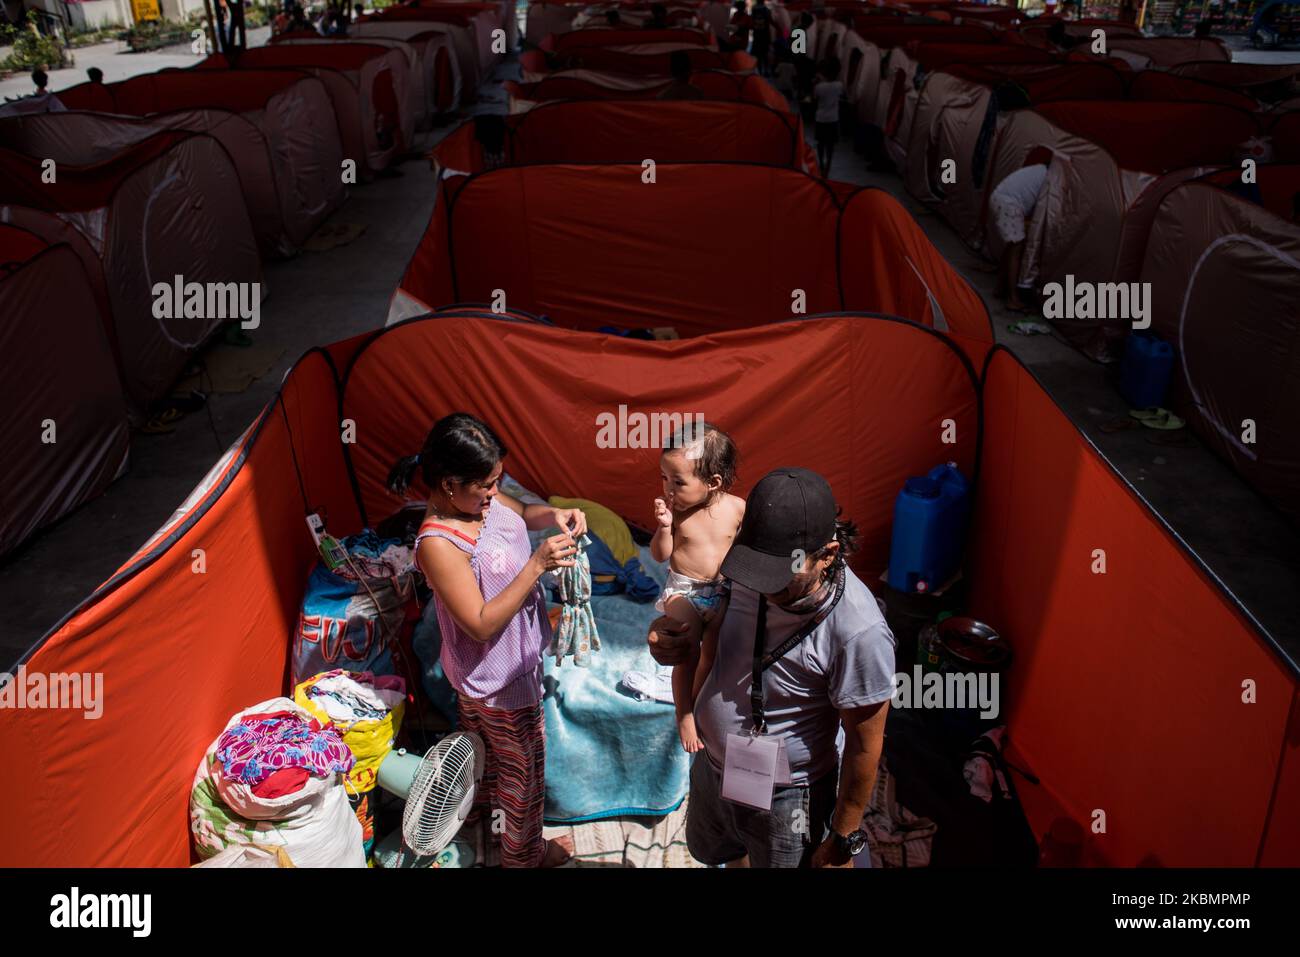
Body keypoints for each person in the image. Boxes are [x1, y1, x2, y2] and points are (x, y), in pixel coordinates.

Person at [647, 468, 896, 868]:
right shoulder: (748, 563)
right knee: (727, 852)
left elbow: (866, 745)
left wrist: (843, 835)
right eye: (754, 570)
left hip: (788, 798)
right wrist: (672, 634)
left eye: (777, 579)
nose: (761, 585)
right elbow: (699, 603)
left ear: (828, 554)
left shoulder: (859, 632)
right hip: (714, 766)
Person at [389, 413, 587, 868]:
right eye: (487, 484)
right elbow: (478, 623)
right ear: (448, 483)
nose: (495, 492)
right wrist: (536, 565)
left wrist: (555, 513)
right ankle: (525, 857)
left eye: (498, 480)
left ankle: (488, 827)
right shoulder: (438, 543)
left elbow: (522, 513)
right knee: (524, 778)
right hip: (496, 682)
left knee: (491, 764)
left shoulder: (482, 502)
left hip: (508, 666)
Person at [651, 423, 745, 752]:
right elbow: (660, 555)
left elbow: (744, 547)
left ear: (713, 482)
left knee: (714, 652)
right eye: (664, 478)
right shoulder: (676, 514)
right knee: (685, 649)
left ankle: (701, 700)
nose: (668, 489)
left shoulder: (736, 508)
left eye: (678, 482)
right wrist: (664, 529)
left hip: (722, 591)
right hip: (684, 591)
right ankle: (684, 713)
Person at [988, 147, 1052, 312]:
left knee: (1012, 247)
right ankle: (1012, 298)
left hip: (1000, 198)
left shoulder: (1038, 170)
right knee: (1017, 248)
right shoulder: (1048, 178)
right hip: (1009, 204)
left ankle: (1000, 287)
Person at [812, 57, 843, 177]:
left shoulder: (819, 87)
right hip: (833, 119)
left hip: (820, 118)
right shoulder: (839, 85)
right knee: (831, 144)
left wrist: (816, 82)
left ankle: (821, 163)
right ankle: (828, 165)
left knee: (821, 143)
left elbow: (814, 99)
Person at [750, 0, 773, 75]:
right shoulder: (766, 10)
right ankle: (766, 70)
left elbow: (752, 21)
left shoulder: (754, 9)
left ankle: (760, 71)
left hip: (757, 34)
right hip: (765, 34)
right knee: (765, 54)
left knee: (758, 54)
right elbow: (769, 21)